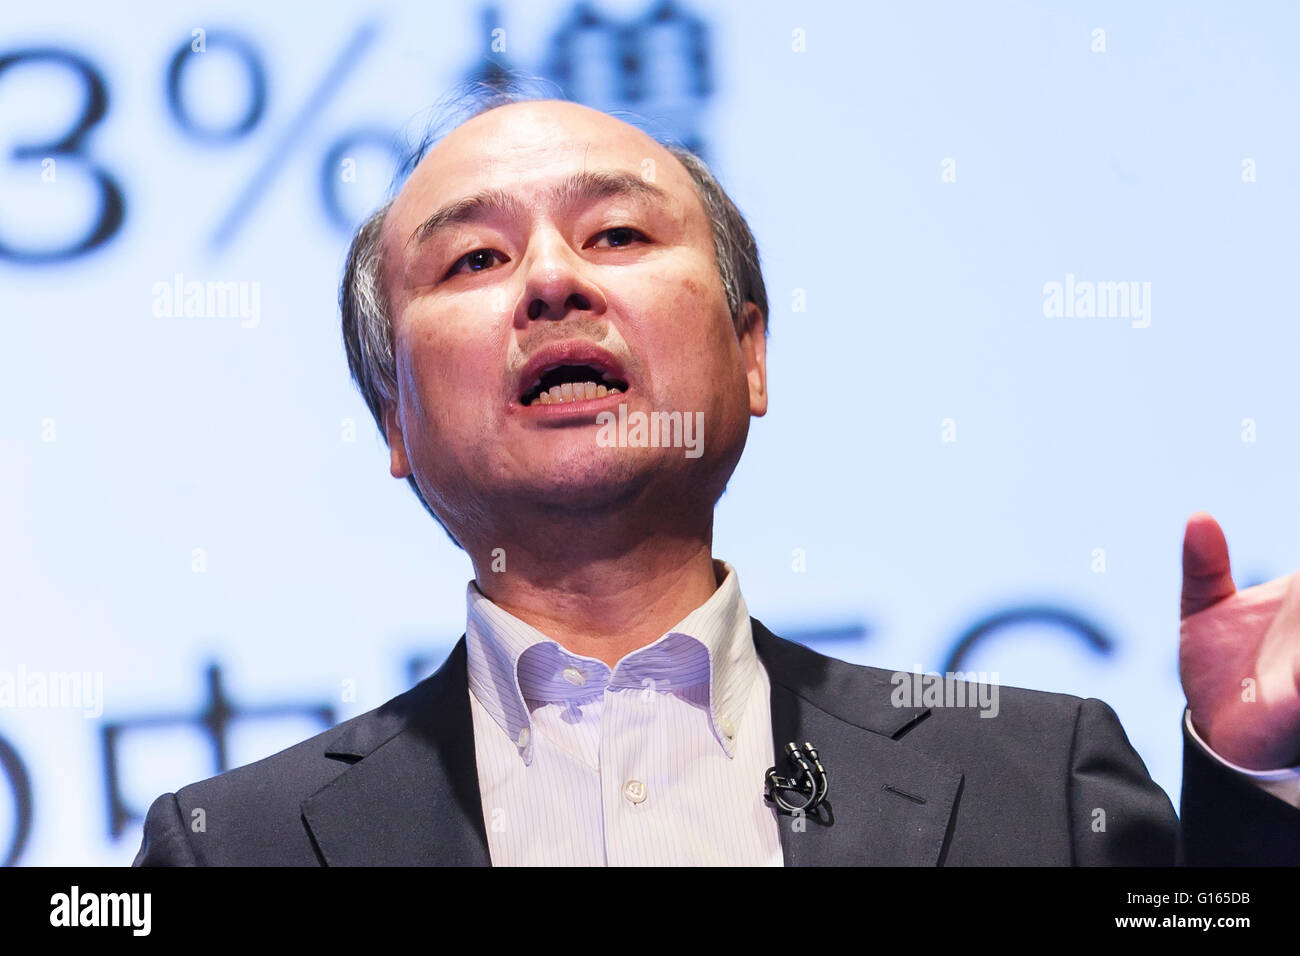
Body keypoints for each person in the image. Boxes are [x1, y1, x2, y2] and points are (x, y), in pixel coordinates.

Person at [134, 88, 1300, 866]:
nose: (551, 282)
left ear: (749, 354)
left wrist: (1255, 780)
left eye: (619, 237)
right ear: (394, 414)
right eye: (476, 258)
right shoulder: (235, 845)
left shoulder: (1031, 781)